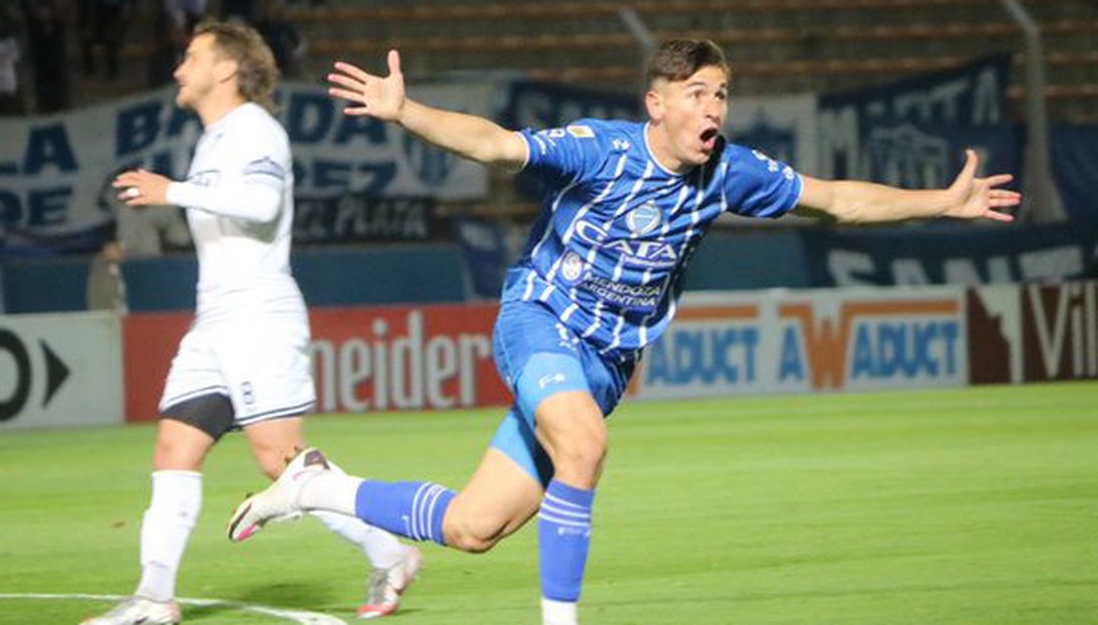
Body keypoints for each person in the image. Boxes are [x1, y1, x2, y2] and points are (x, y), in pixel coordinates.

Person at [226, 39, 1023, 625]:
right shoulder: (599, 150)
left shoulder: (728, 172)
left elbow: (838, 199)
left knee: (475, 525)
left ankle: (318, 485)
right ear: (659, 103)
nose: (715, 107)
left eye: (722, 94)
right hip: (540, 322)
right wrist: (408, 112)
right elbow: (498, 144)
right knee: (585, 449)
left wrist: (939, 202)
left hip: (604, 365)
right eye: (700, 92)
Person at [80, 21, 422, 625]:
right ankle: (155, 597)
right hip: (215, 322)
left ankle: (391, 552)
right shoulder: (214, 139)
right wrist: (179, 191)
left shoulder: (255, 131)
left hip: (259, 315)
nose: (179, 68)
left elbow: (262, 207)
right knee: (174, 448)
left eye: (192, 57)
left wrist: (175, 192)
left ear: (226, 69)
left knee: (282, 462)